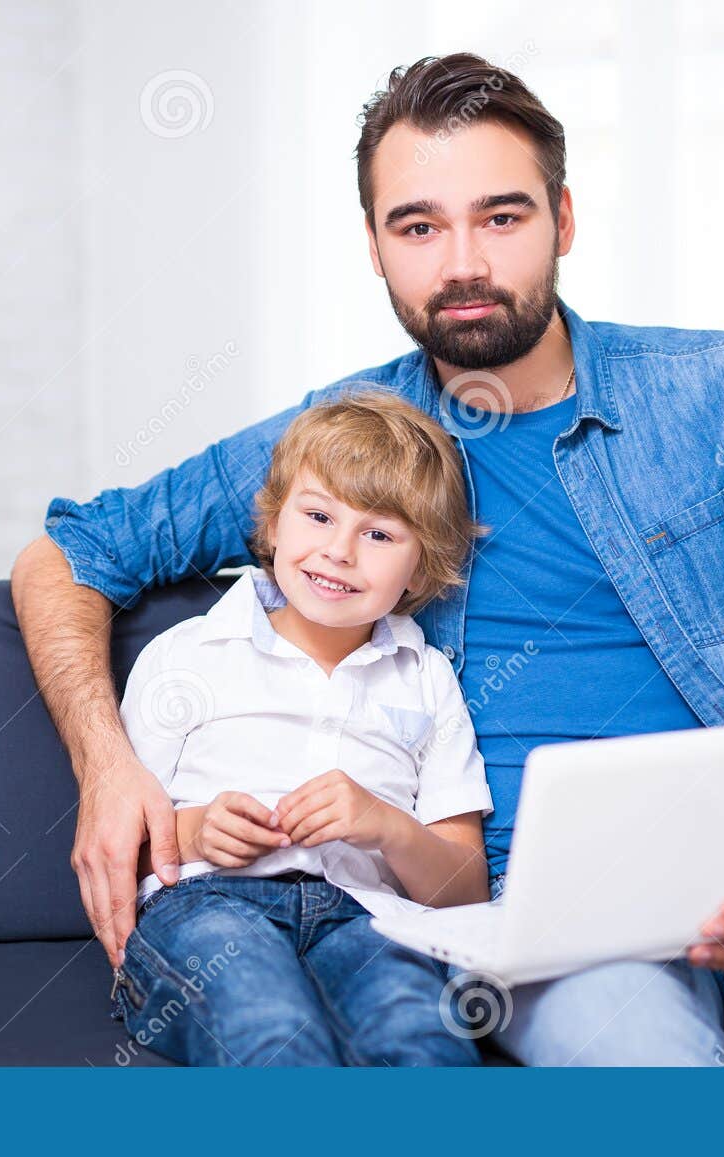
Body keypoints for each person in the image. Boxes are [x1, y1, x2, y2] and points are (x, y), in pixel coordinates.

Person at [14, 52, 724, 1065]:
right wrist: (110, 766)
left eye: (500, 216)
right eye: (417, 226)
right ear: (373, 246)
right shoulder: (345, 443)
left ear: (563, 217)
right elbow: (70, 553)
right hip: (554, 922)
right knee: (648, 1068)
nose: (463, 263)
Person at [108, 391, 492, 1065]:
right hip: (206, 905)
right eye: (318, 516)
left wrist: (386, 825)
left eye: (379, 535)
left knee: (418, 1033)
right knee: (269, 1026)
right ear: (274, 523)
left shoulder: (427, 677)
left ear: (421, 565)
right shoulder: (185, 654)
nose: (339, 551)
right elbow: (118, 843)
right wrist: (197, 831)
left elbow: (464, 889)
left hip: (367, 915)